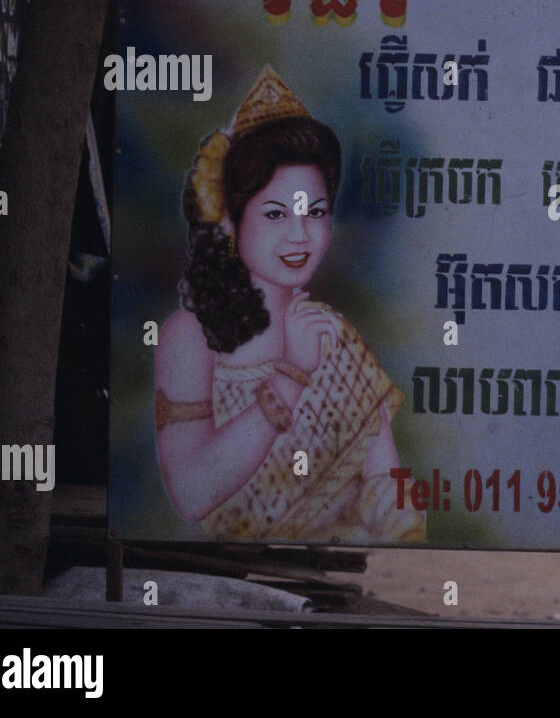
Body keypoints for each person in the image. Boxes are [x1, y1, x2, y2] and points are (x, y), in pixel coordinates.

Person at [154, 66, 425, 542]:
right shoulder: (190, 338)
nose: (300, 237)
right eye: (276, 214)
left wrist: (395, 516)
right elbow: (192, 494)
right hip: (217, 578)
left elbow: (385, 482)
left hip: (334, 571)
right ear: (230, 222)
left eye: (315, 213)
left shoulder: (331, 334)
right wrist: (291, 374)